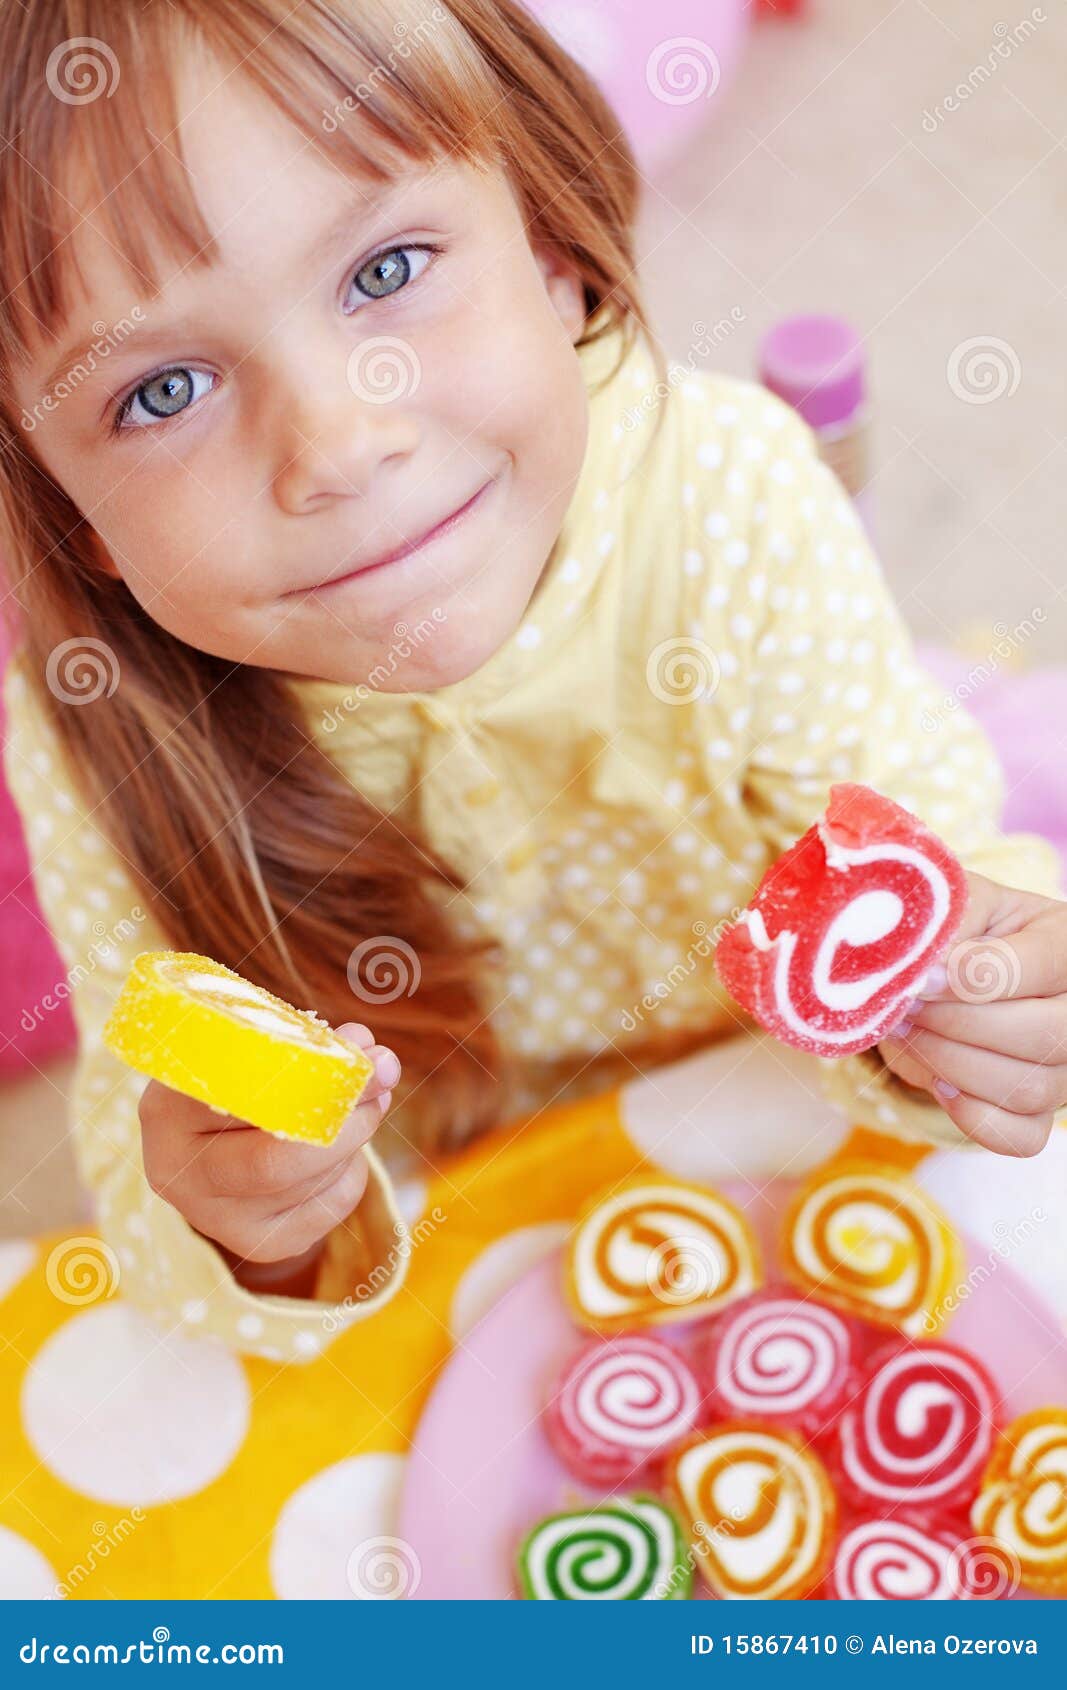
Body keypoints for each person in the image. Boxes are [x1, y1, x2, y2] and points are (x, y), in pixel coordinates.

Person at [3, 0, 1065, 1364]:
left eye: (385, 270)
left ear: (553, 250)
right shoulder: (99, 725)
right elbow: (145, 1116)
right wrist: (247, 1223)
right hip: (465, 1197)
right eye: (161, 393)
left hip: (777, 1098)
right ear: (69, 512)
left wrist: (965, 1013)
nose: (335, 443)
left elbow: (938, 866)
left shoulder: (731, 506)